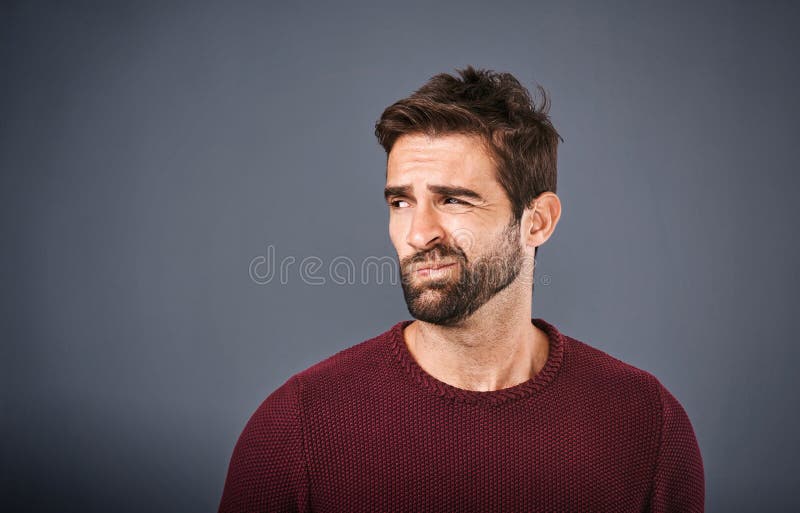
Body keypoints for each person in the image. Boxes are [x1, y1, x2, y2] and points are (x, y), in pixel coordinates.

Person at [217, 67, 705, 512]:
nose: (418, 233)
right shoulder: (296, 427)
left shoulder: (646, 424)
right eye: (401, 202)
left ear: (537, 222)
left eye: (453, 200)